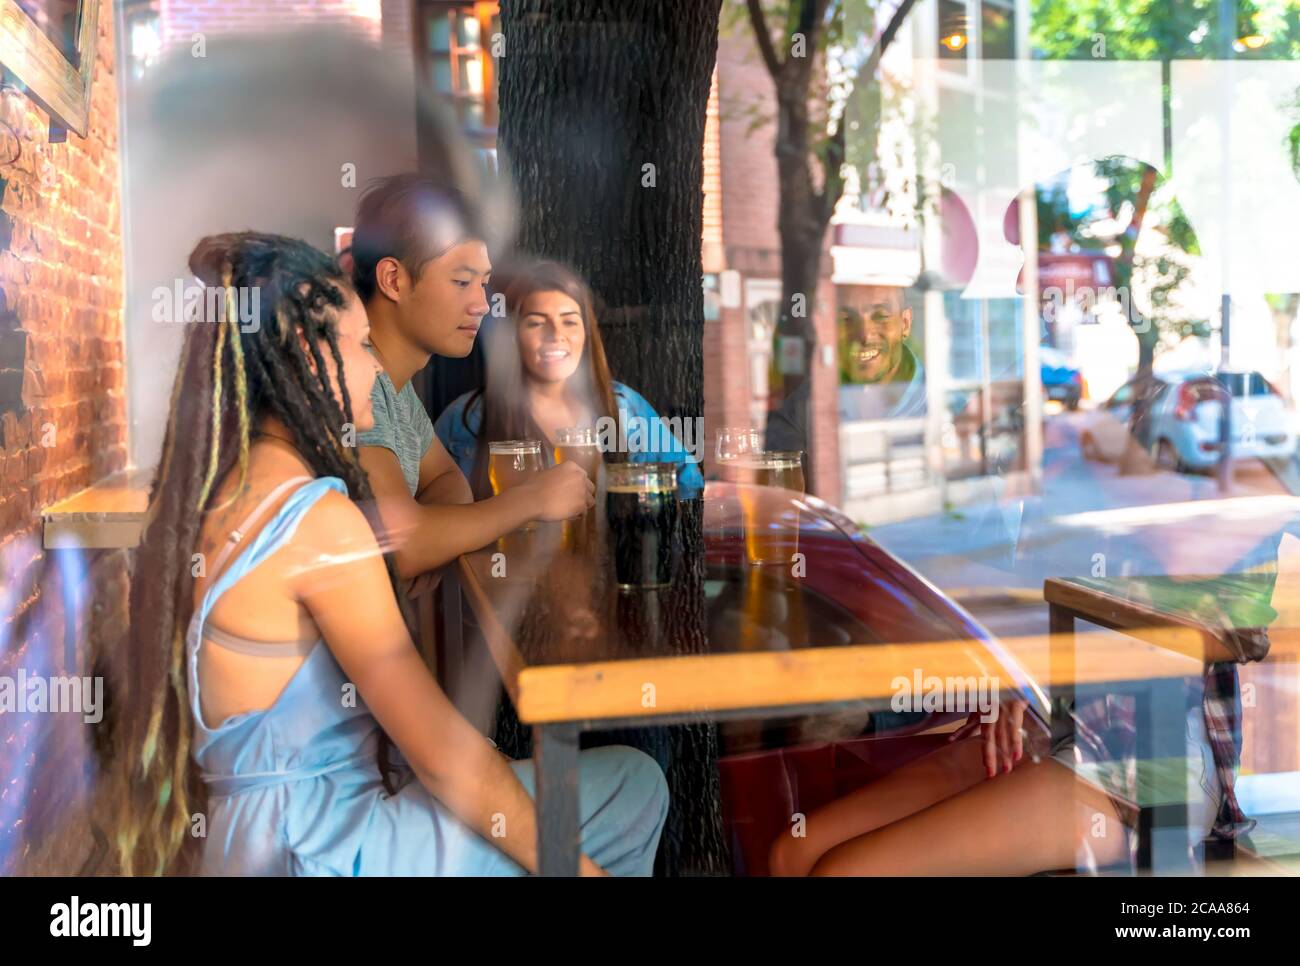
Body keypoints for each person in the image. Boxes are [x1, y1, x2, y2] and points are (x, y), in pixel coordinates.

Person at [95, 231, 667, 876]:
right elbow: (439, 752)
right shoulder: (318, 522)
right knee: (624, 797)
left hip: (251, 836)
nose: (375, 366)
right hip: (320, 848)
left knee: (626, 782)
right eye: (360, 344)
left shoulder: (219, 486)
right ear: (310, 360)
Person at [350, 175, 594, 582]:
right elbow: (403, 547)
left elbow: (449, 481)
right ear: (394, 280)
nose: (482, 305)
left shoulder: (396, 386)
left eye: (483, 284)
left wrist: (438, 540)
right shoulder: (359, 385)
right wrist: (531, 499)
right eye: (462, 282)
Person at [434, 260, 704, 497]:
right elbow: (435, 515)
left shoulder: (625, 407)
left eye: (570, 321)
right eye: (536, 322)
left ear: (586, 334)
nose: (556, 334)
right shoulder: (466, 418)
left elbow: (689, 484)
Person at [765, 285, 924, 453]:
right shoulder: (809, 400)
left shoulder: (938, 399)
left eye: (880, 316)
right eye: (846, 319)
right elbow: (775, 459)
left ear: (905, 323)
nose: (864, 336)